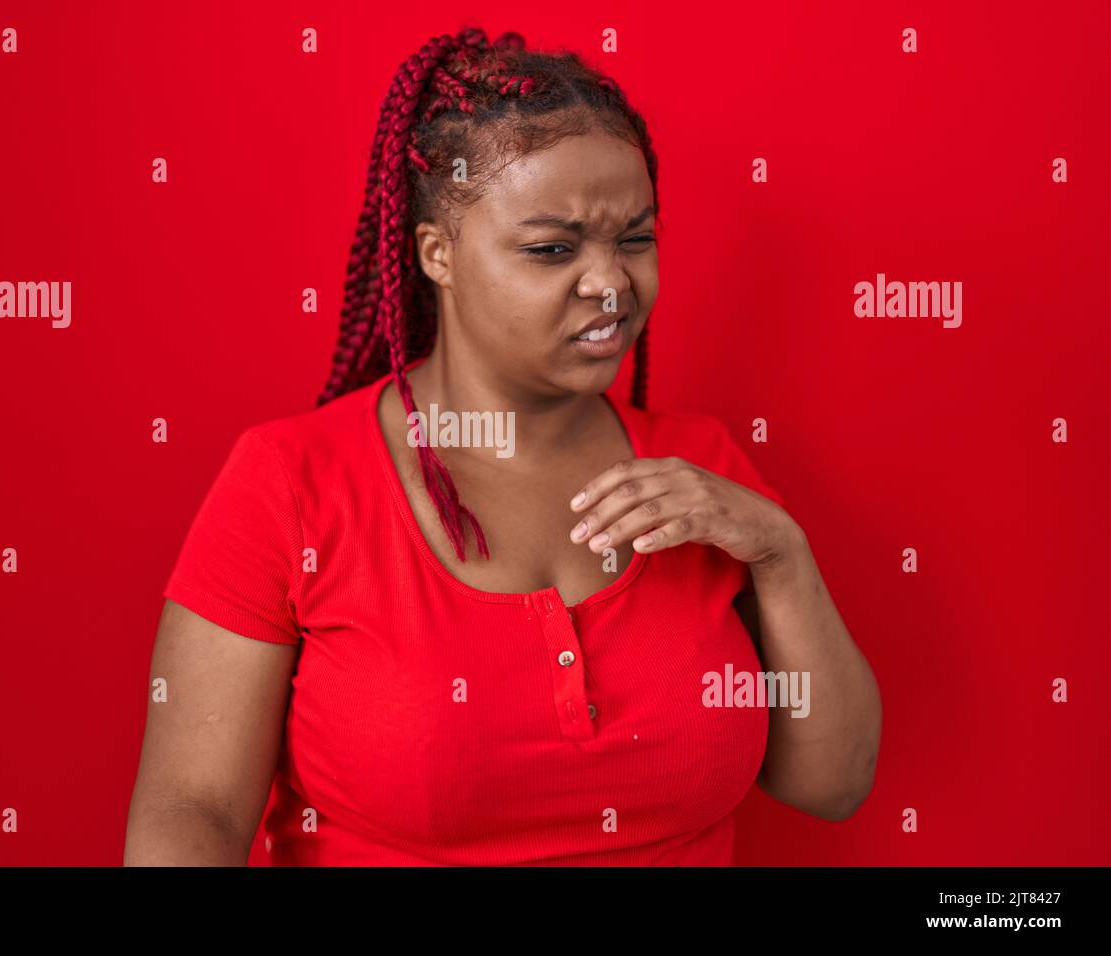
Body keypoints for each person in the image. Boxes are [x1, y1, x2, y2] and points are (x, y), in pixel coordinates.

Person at [124, 26, 880, 866]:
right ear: (437, 255)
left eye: (635, 238)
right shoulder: (290, 481)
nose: (611, 284)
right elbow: (190, 816)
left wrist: (781, 553)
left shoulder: (701, 471)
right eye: (552, 249)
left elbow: (833, 783)